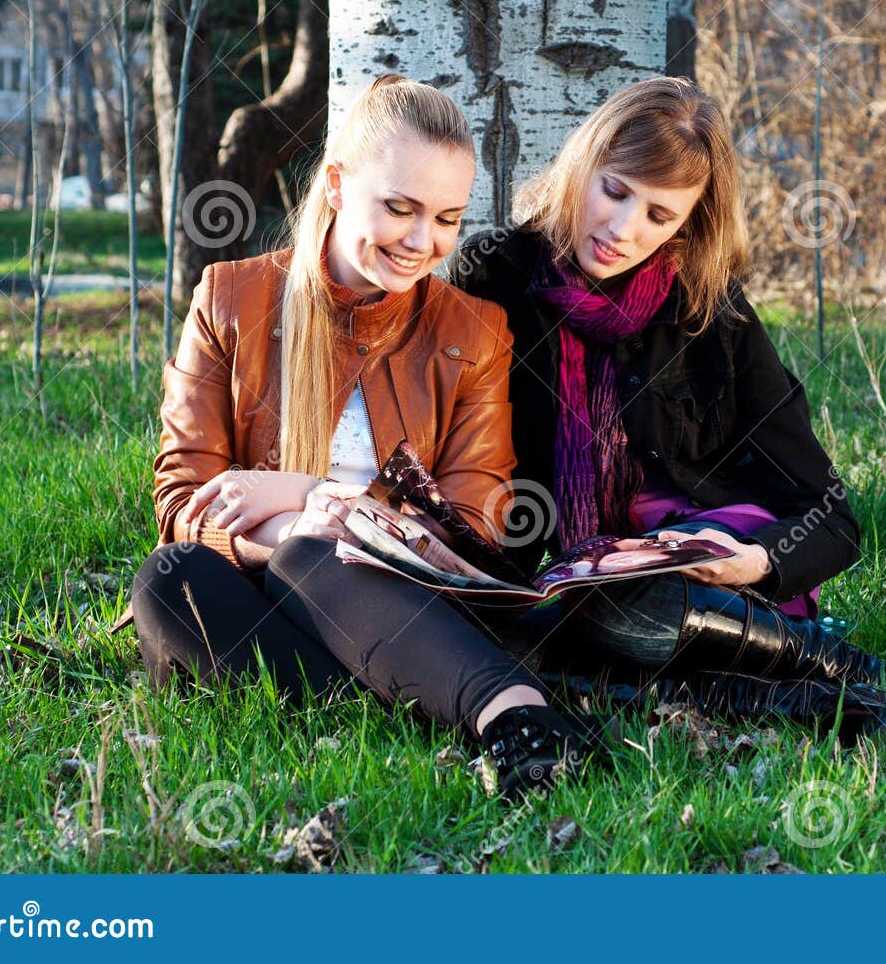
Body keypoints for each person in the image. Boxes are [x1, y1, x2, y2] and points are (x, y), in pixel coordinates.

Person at [453, 77, 886, 729]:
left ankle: (879, 681)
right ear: (583, 163)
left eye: (659, 215)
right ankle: (789, 702)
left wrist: (755, 559)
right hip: (570, 582)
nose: (623, 229)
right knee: (485, 638)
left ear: (689, 221)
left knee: (635, 605)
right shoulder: (495, 276)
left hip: (708, 578)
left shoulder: (712, 312)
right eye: (614, 191)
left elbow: (833, 517)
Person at [127, 75, 594, 799]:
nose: (422, 242)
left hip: (398, 597)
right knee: (168, 578)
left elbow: (471, 532)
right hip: (254, 596)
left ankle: (516, 715)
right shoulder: (231, 297)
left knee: (317, 554)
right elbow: (182, 497)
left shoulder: (473, 331)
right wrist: (280, 531)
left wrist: (320, 498)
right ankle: (405, 698)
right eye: (400, 207)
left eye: (446, 218)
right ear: (339, 185)